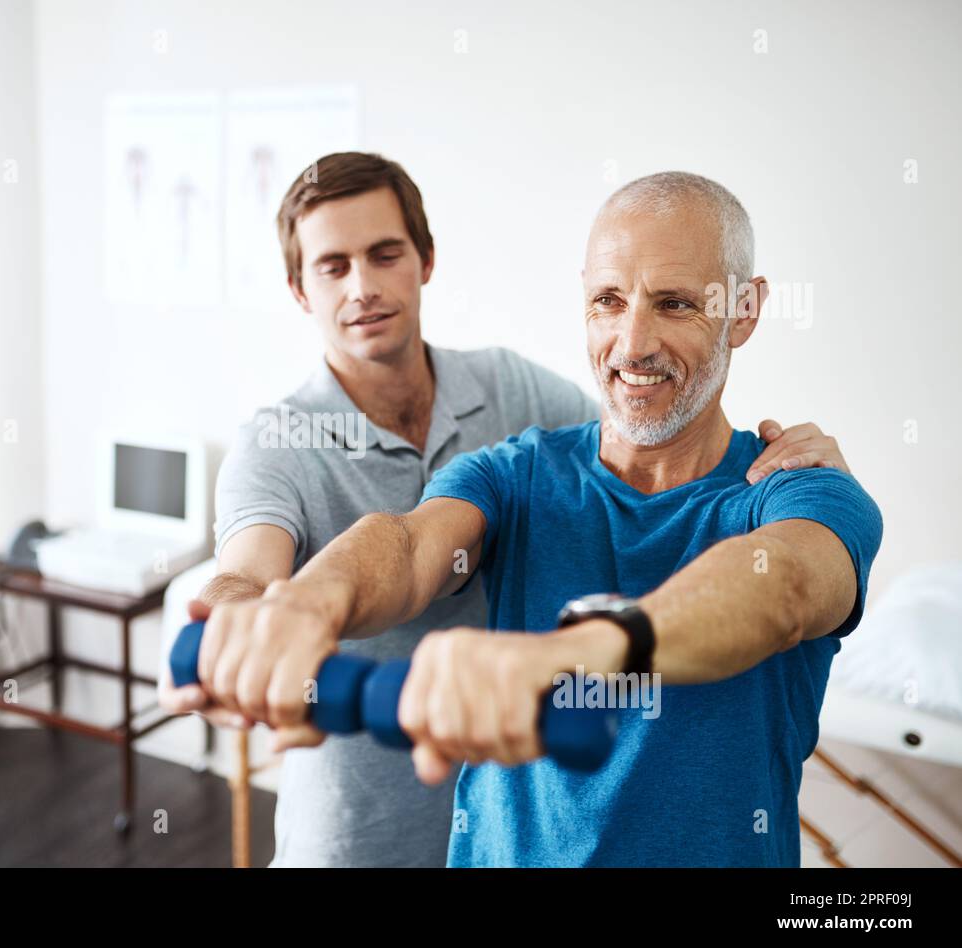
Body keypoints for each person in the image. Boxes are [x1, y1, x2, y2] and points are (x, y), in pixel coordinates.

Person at [161, 157, 854, 867]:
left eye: (674, 302)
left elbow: (786, 586)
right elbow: (405, 543)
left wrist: (576, 654)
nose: (634, 341)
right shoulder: (515, 467)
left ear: (744, 308)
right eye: (609, 300)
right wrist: (305, 602)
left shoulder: (801, 486)